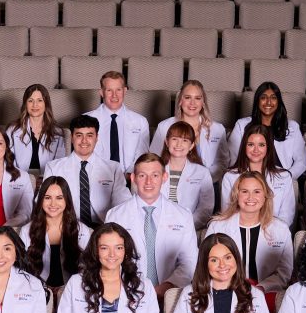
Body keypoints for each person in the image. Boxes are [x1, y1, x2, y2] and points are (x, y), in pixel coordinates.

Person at [104, 153, 198, 297]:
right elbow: (111, 260)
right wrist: (134, 289)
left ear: (164, 177)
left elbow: (189, 261)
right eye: (142, 175)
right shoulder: (115, 215)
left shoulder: (183, 215)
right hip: (128, 293)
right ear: (133, 178)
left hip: (172, 293)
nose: (149, 182)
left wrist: (164, 289)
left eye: (155, 175)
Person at [205, 171, 294, 292]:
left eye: (257, 192)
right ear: (237, 195)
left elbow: (284, 272)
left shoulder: (281, 229)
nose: (250, 197)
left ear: (265, 196)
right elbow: (207, 265)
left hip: (267, 292)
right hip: (226, 291)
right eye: (244, 191)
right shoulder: (217, 227)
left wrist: (261, 288)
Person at [42, 114, 129, 229]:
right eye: (79, 135)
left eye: (89, 135)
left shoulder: (113, 168)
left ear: (96, 138)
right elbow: (42, 201)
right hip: (66, 229)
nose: (84, 141)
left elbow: (123, 203)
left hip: (103, 228)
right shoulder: (54, 167)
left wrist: (109, 229)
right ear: (72, 138)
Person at [219, 124, 297, 232]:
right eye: (251, 144)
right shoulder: (230, 177)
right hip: (238, 231)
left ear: (268, 147)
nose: (256, 150)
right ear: (244, 147)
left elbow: (287, 215)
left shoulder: (284, 177)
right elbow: (227, 212)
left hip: (274, 233)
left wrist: (268, 232)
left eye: (261, 145)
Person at [20, 176, 92, 289]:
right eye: (47, 197)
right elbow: (23, 270)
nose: (53, 204)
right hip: (37, 289)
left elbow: (87, 269)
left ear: (67, 200)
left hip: (72, 289)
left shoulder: (82, 230)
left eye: (59, 198)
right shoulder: (26, 231)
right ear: (41, 200)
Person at [225, 81, 306, 178]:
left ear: (278, 101)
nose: (268, 102)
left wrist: (286, 177)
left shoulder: (292, 126)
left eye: (273, 98)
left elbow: (302, 161)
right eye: (263, 98)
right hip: (249, 178)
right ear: (257, 101)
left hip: (282, 178)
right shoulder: (241, 125)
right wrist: (248, 179)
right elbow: (234, 159)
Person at [149, 80, 228, 180]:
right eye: (187, 97)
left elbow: (223, 162)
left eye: (197, 98)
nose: (192, 103)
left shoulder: (217, 129)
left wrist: (203, 178)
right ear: (180, 101)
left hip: (209, 183)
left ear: (203, 102)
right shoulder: (164, 126)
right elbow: (154, 159)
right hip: (171, 181)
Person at [84, 71, 151, 171]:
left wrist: (129, 175)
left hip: (130, 178)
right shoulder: (86, 119)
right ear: (101, 92)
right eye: (109, 90)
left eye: (118, 90)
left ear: (125, 91)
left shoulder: (140, 121)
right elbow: (83, 154)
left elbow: (142, 155)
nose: (114, 95)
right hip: (96, 177)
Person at [157, 120, 216, 230]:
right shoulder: (155, 170)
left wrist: (185, 226)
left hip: (189, 228)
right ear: (166, 142)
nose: (179, 144)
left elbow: (205, 208)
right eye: (174, 139)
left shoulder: (202, 173)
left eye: (185, 140)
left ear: (192, 145)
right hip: (158, 227)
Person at [6, 84, 67, 173]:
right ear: (25, 104)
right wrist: (24, 179)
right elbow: (9, 162)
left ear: (46, 104)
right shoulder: (12, 130)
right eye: (30, 101)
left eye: (39, 100)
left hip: (48, 179)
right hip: (19, 180)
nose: (35, 105)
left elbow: (59, 164)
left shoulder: (57, 132)